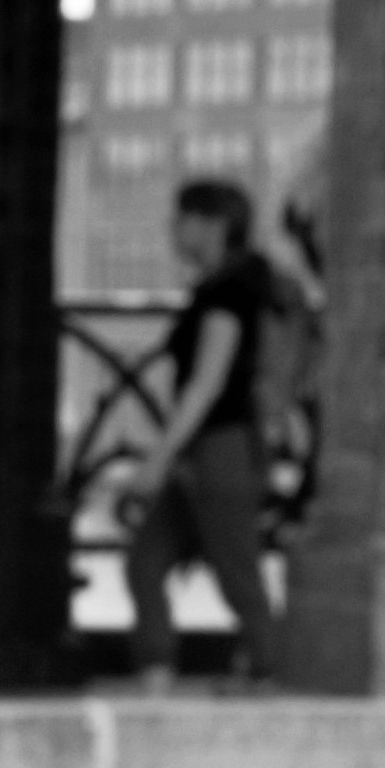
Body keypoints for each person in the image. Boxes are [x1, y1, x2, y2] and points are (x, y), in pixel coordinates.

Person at [124, 175, 286, 691]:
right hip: (203, 450)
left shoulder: (229, 293)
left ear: (215, 225)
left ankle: (266, 672)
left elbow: (207, 383)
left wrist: (158, 457)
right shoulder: (221, 288)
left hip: (223, 449)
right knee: (146, 560)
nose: (173, 228)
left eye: (183, 218)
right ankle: (156, 672)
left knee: (236, 569)